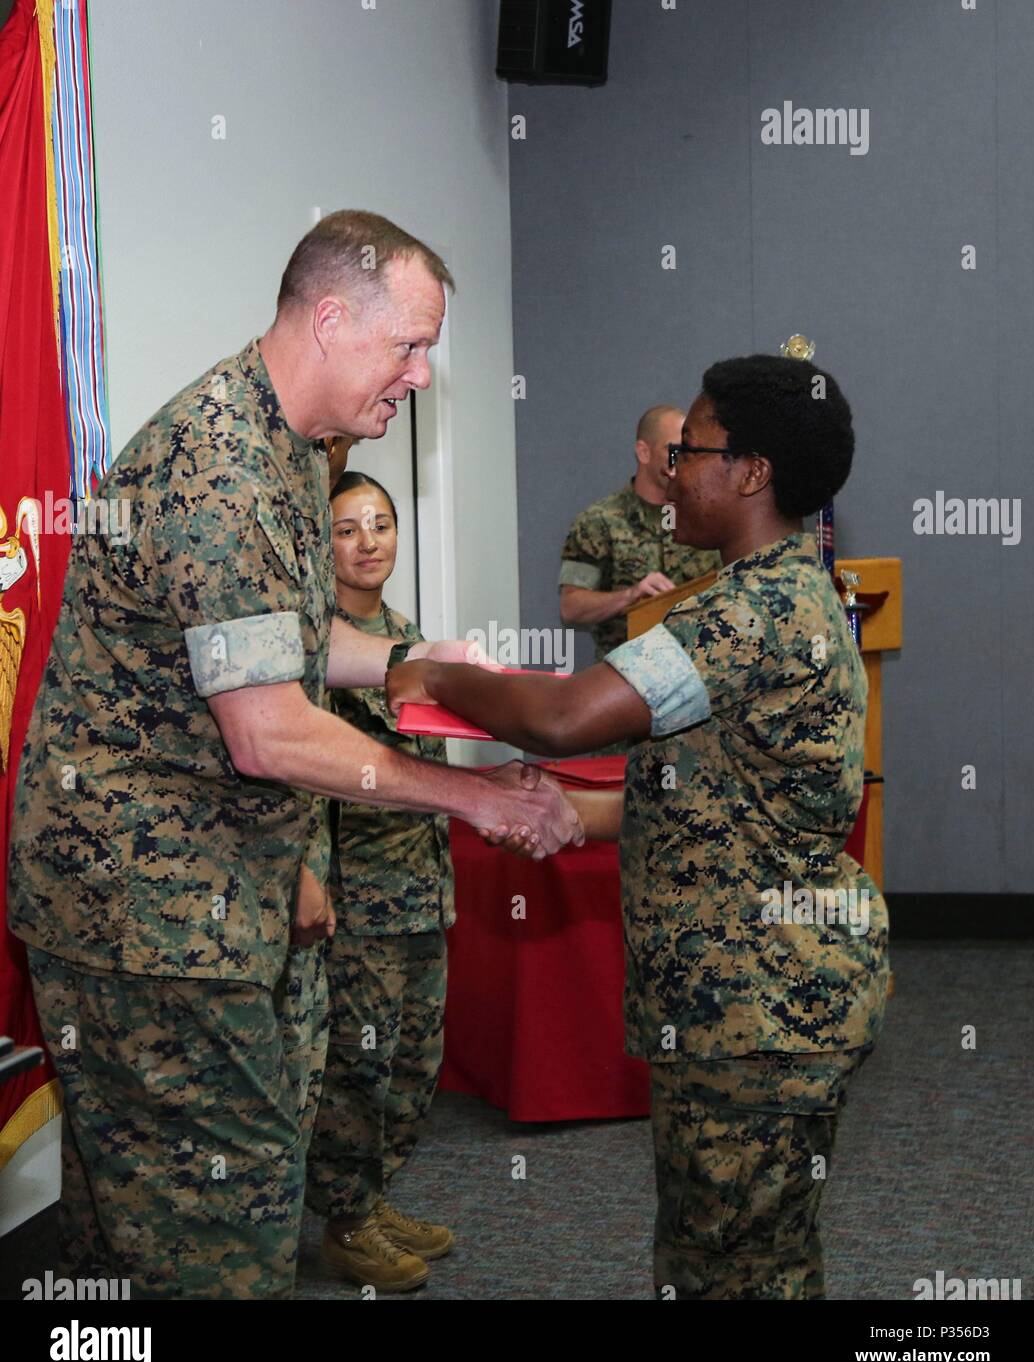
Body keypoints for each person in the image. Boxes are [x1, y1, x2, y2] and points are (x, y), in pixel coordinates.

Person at [8, 210, 581, 1300]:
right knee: (221, 1235)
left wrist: (413, 660)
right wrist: (467, 799)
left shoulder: (285, 447)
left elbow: (281, 635)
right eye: (407, 345)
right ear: (329, 318)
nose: (419, 375)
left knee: (123, 1235)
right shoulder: (222, 467)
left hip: (193, 901)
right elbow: (268, 727)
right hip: (147, 917)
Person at [388, 353, 889, 1300]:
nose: (670, 472)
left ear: (751, 471)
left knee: (728, 1267)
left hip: (756, 1008)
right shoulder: (779, 590)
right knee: (752, 1256)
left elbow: (564, 716)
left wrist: (436, 674)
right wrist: (569, 814)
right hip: (768, 998)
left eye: (690, 450)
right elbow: (724, 797)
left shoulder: (751, 610)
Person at [307, 469, 455, 1293]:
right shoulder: (312, 652)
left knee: (412, 1062)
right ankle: (346, 1220)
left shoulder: (408, 638)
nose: (368, 543)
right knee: (353, 1073)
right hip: (355, 899)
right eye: (347, 529)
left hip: (422, 892)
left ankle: (374, 1195)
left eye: (382, 525)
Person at [559, 404, 719, 664]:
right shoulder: (600, 521)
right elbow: (571, 607)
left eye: (687, 452)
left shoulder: (705, 518)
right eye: (673, 451)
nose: (680, 461)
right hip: (625, 678)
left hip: (697, 676)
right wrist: (631, 595)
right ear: (643, 452)